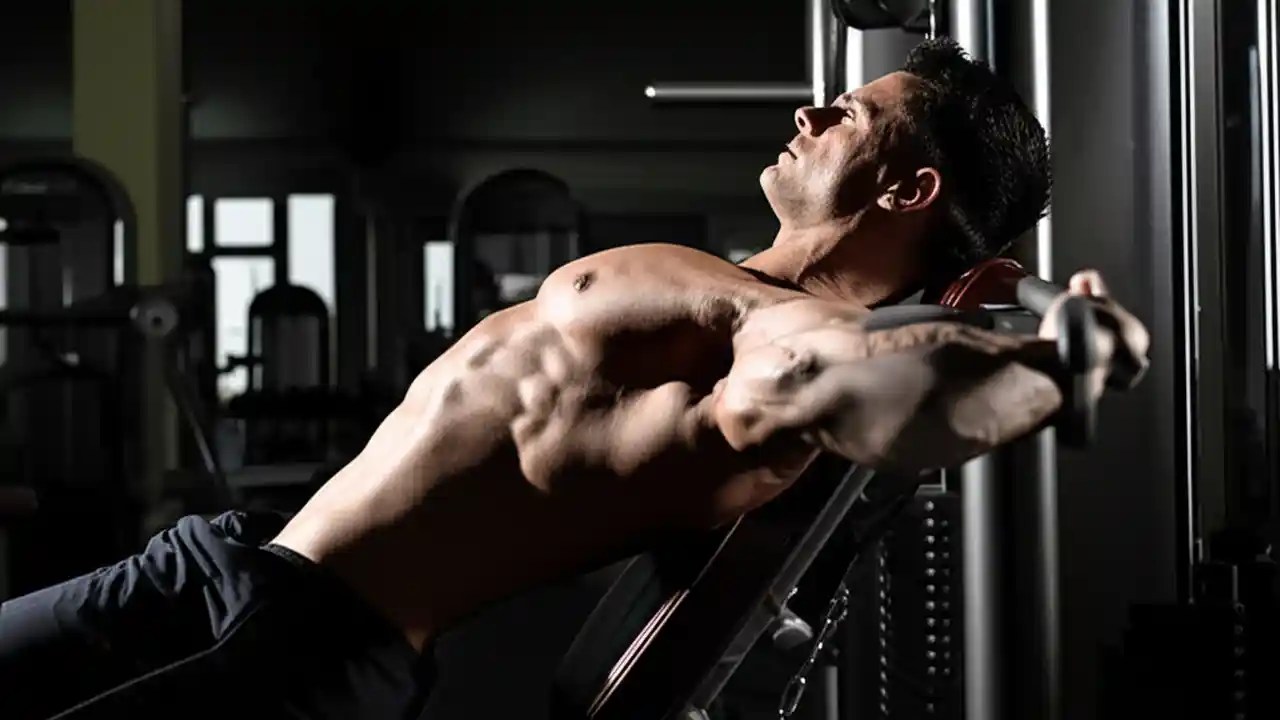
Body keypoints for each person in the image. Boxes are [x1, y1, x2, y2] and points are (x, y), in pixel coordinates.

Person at [0, 38, 1148, 719]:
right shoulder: (724, 284)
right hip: (218, 563)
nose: (808, 112)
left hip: (301, 646)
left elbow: (858, 376)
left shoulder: (768, 350)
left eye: (848, 115)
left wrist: (1045, 361)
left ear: (907, 193)